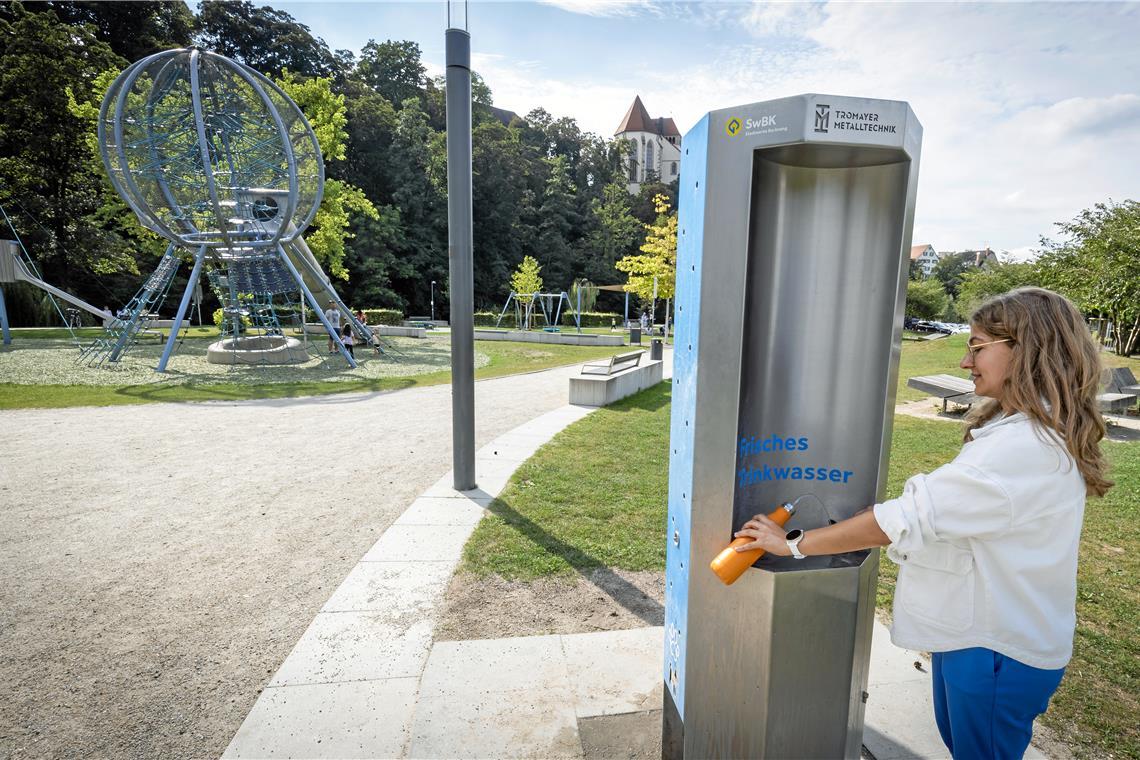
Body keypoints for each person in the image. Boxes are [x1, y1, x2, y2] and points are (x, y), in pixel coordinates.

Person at [733, 287, 1111, 760]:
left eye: (977, 347)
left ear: (1028, 348)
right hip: (982, 638)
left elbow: (900, 522)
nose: (965, 362)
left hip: (995, 648)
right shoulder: (1027, 434)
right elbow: (942, 513)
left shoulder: (1023, 448)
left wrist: (791, 543)